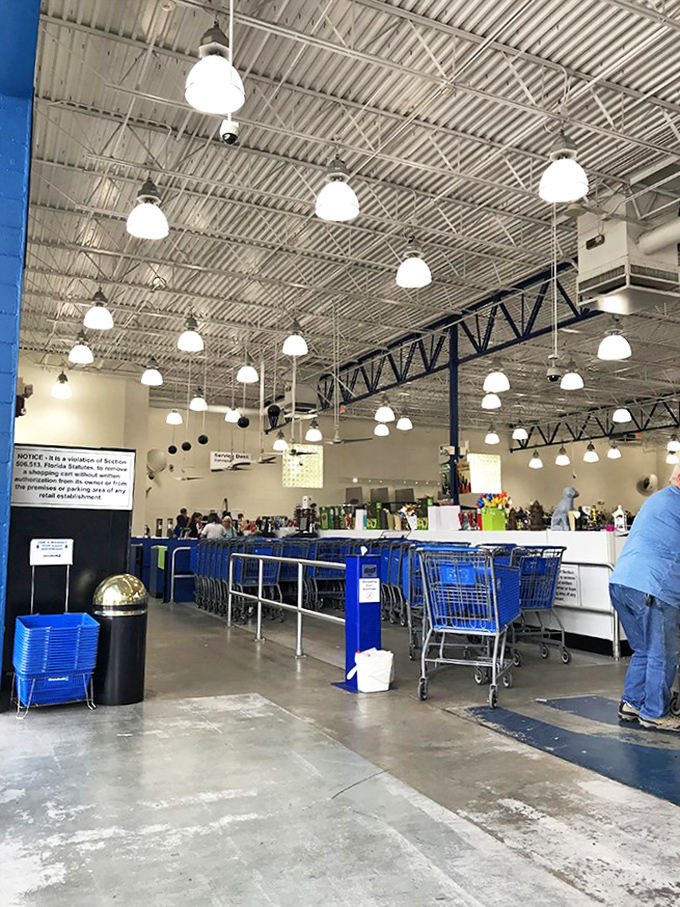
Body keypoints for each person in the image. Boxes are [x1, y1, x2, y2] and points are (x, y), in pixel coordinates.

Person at [609, 464, 680, 730]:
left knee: (644, 649)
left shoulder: (657, 499)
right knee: (664, 653)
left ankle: (633, 703)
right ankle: (655, 712)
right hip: (654, 589)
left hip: (622, 583)